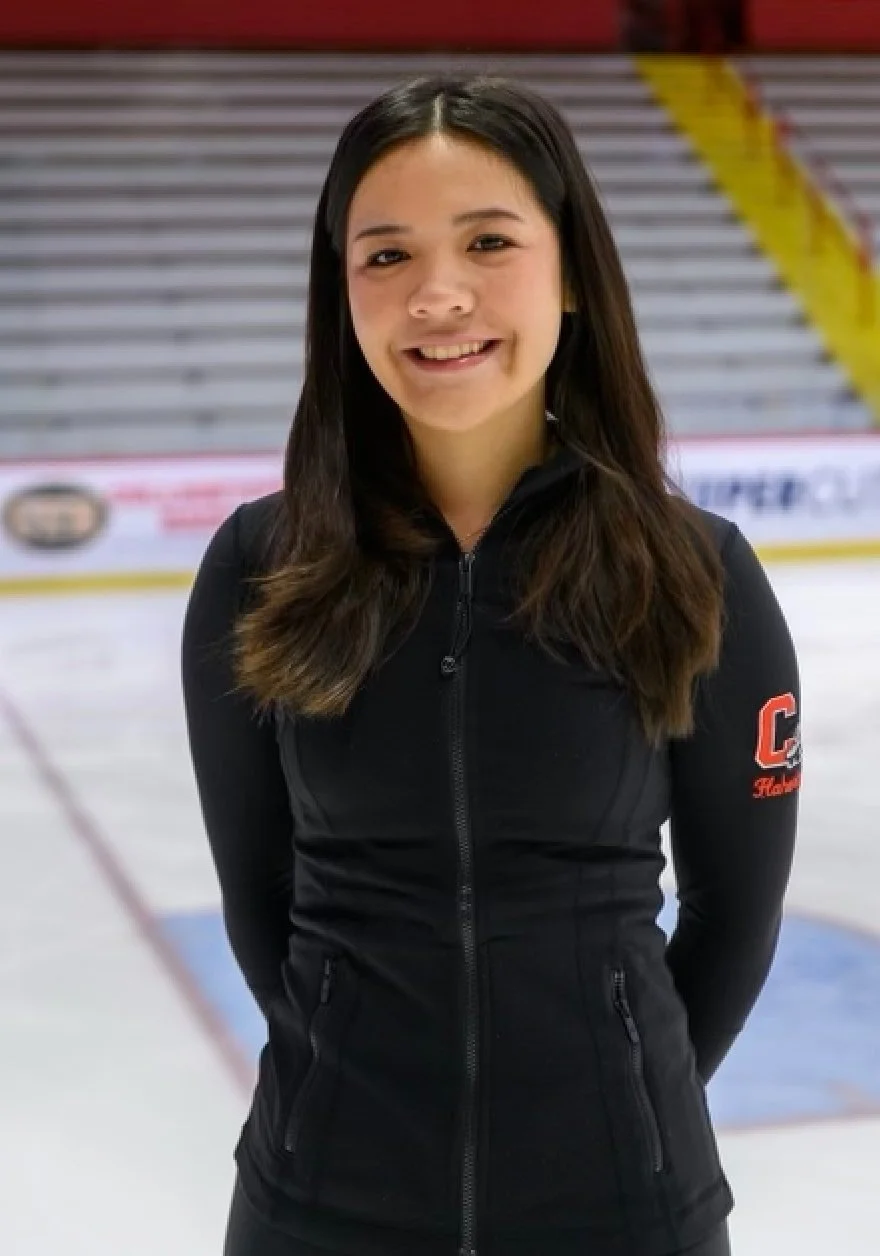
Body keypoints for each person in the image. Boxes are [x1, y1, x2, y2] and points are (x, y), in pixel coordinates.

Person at [181, 73, 801, 1256]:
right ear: (341, 293)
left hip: (624, 1207)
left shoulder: (694, 570)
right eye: (385, 255)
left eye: (487, 241)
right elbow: (263, 905)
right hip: (320, 1208)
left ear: (569, 274)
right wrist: (342, 1097)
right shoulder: (258, 566)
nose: (438, 294)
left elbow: (735, 916)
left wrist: (625, 1107)